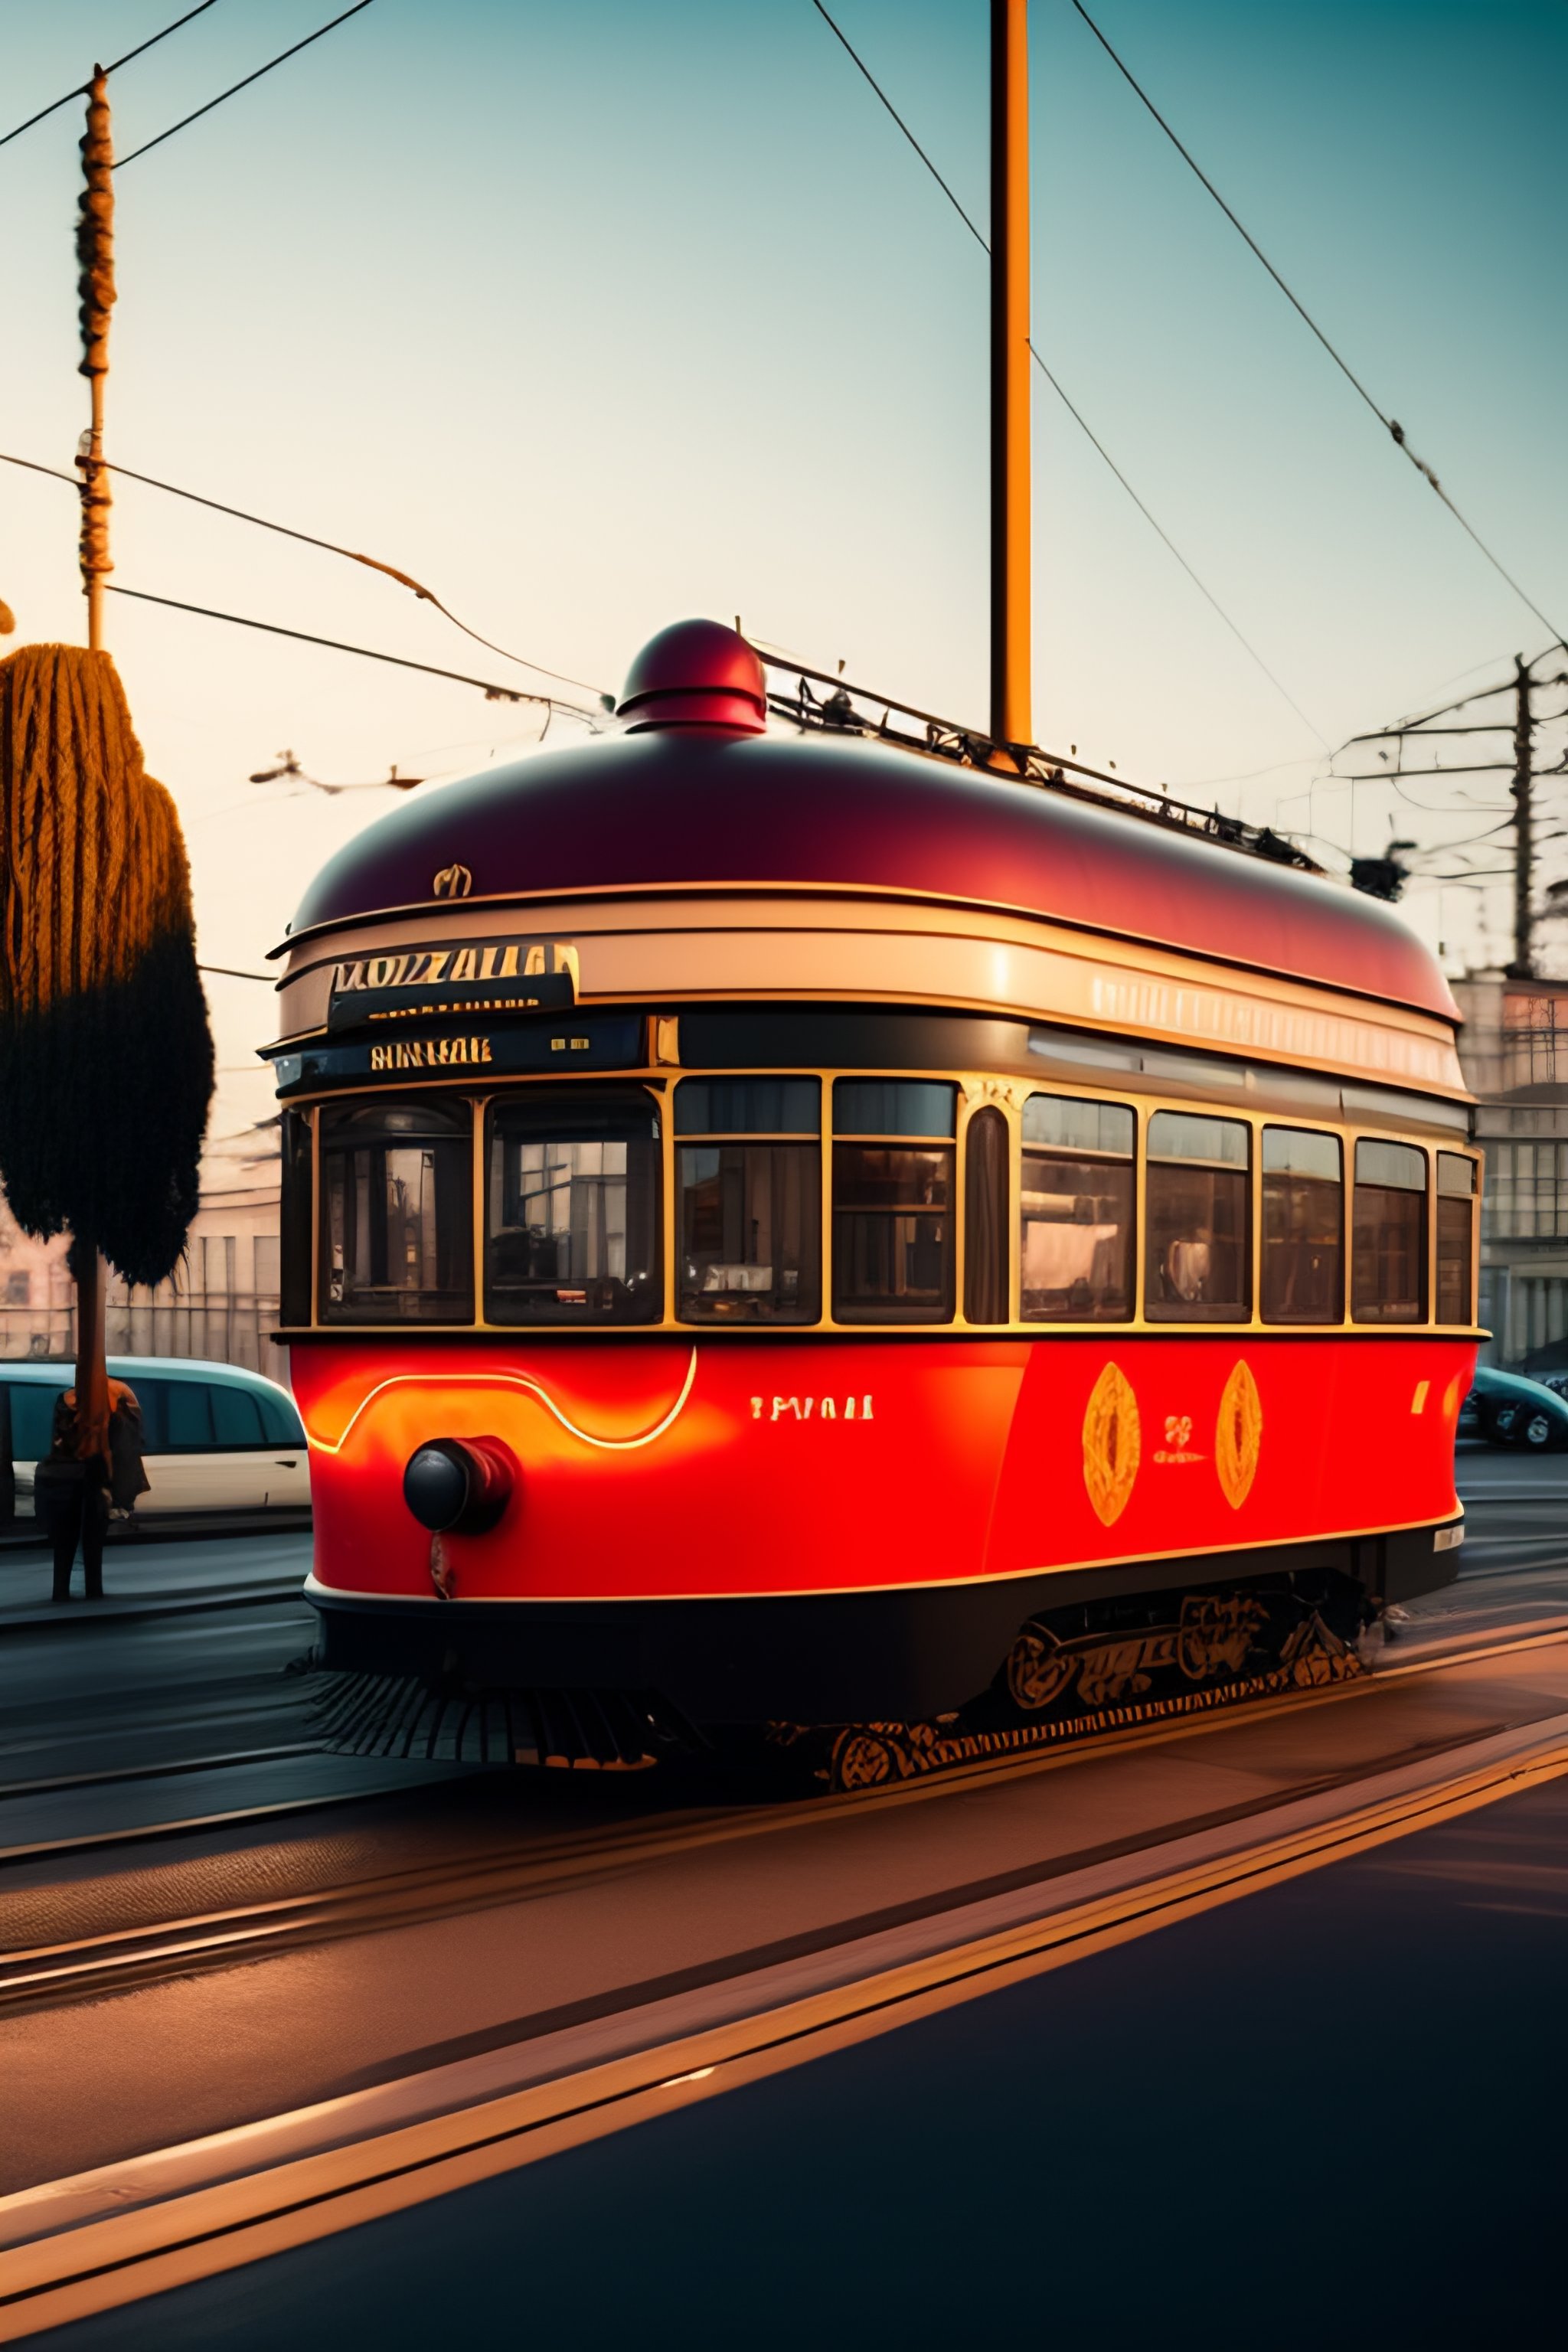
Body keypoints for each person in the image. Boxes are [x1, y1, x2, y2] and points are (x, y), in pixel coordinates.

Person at [36, 1378, 149, 1603]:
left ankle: (61, 1591)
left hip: (64, 1477)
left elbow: (57, 1443)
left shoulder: (67, 1399)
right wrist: (121, 1492)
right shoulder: (119, 1395)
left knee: (65, 1542)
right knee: (94, 1540)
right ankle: (93, 1590)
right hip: (98, 1478)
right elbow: (126, 1447)